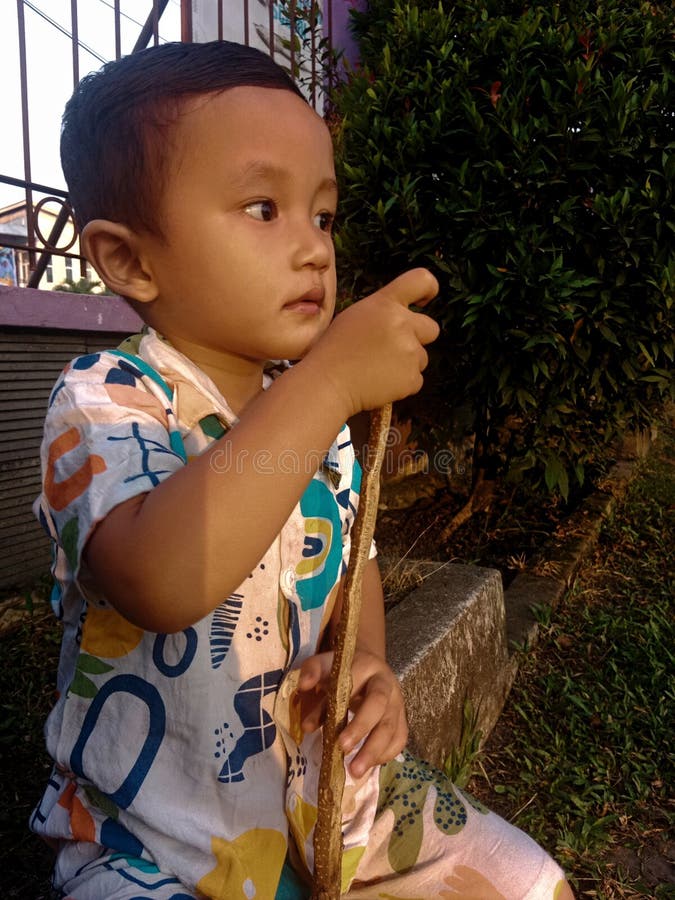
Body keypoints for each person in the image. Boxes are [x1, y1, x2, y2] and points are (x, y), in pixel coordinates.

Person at [32, 40, 574, 899]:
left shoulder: (315, 414)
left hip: (323, 793)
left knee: (526, 883)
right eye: (261, 208)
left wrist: (367, 665)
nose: (315, 249)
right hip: (152, 840)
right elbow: (160, 581)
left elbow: (351, 571)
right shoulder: (107, 401)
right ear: (131, 260)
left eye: (321, 215)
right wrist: (326, 384)